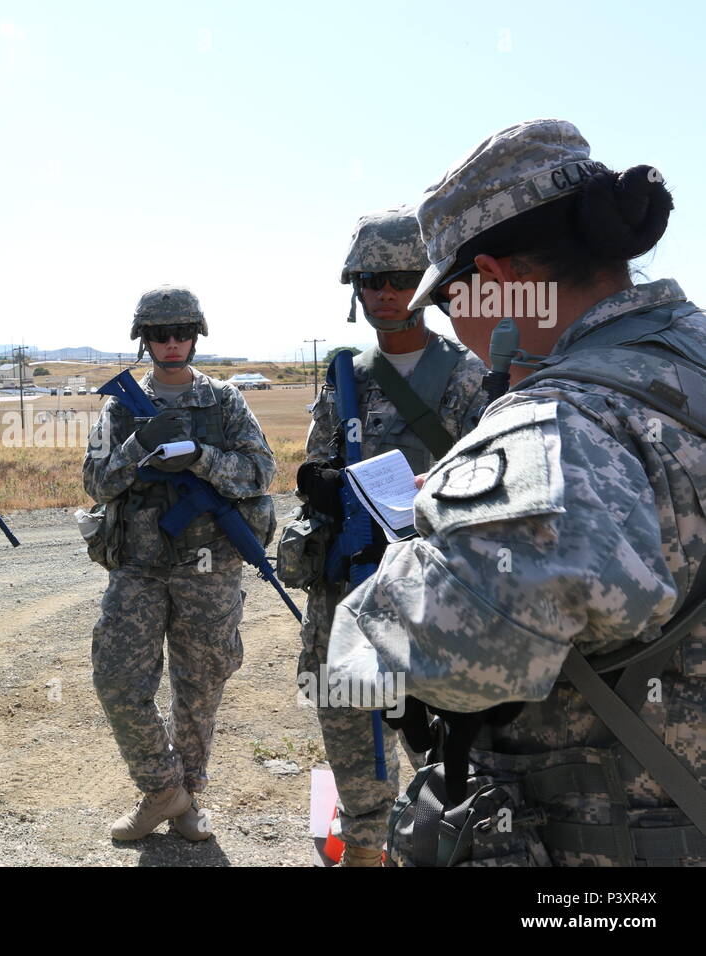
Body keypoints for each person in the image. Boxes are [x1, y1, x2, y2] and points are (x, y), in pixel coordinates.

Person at [327, 118, 706, 866]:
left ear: (496, 283)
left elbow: (446, 656)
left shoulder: (562, 423)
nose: (446, 321)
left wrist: (420, 548)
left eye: (445, 301)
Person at [279, 207, 485, 866]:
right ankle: (364, 846)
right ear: (356, 287)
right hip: (350, 589)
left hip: (435, 593)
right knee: (348, 734)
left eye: (401, 276)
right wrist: (317, 478)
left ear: (424, 282)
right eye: (372, 278)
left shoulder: (467, 374)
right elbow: (318, 458)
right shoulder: (346, 372)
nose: (386, 291)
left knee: (451, 762)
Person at [83, 286, 277, 841]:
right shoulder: (122, 407)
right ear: (144, 340)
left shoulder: (223, 402)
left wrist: (200, 457)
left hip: (209, 567)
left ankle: (188, 799)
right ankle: (162, 791)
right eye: (159, 335)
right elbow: (95, 484)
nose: (171, 344)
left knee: (201, 686)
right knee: (117, 680)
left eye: (181, 334)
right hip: (138, 567)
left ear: (196, 336)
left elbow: (261, 471)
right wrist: (136, 451)